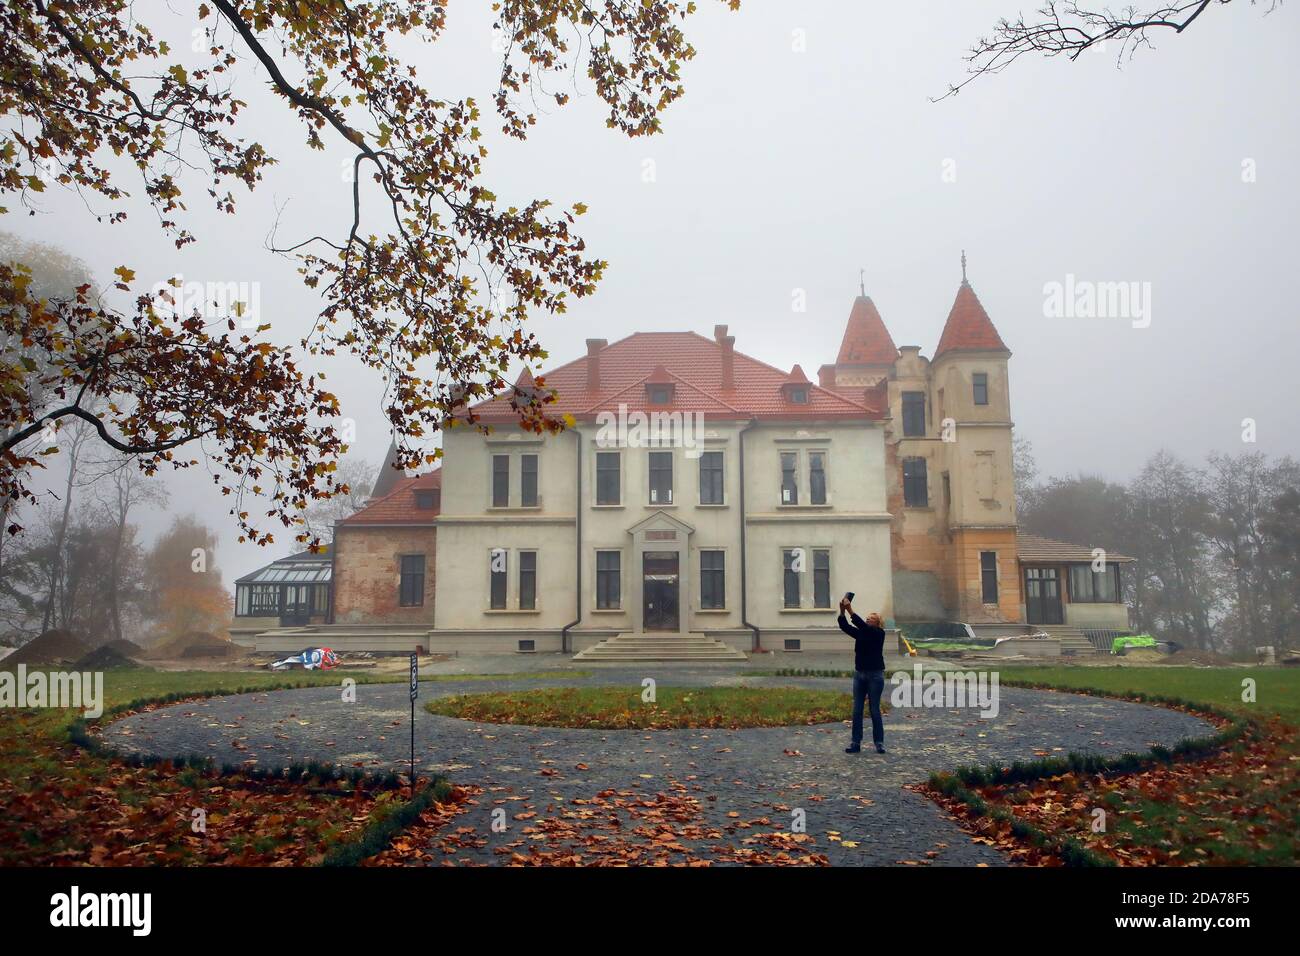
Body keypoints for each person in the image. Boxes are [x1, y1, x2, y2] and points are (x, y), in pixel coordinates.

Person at [837, 596, 886, 754]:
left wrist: (851, 609)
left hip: (875, 676)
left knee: (874, 710)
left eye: (871, 619)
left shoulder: (879, 633)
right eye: (867, 618)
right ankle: (855, 743)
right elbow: (846, 627)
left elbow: (862, 627)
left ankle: (879, 743)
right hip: (860, 675)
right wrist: (842, 611)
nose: (868, 620)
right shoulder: (862, 633)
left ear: (877, 623)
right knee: (857, 711)